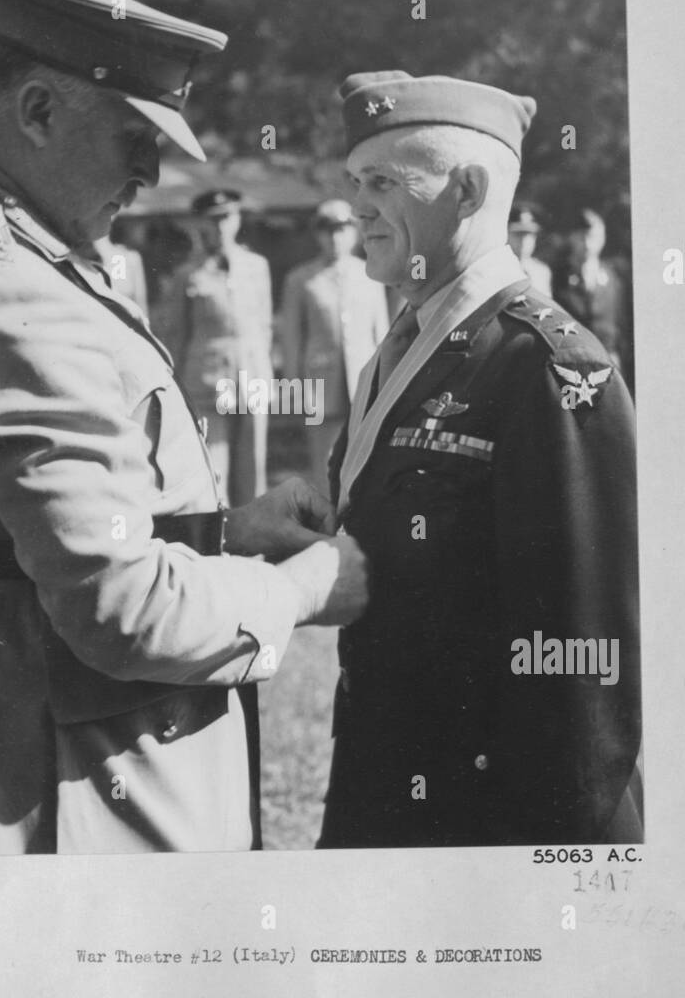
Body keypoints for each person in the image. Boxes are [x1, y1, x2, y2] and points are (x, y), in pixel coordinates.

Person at [0, 0, 367, 857]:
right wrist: (297, 589)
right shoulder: (5, 292)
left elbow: (4, 527)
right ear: (36, 110)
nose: (150, 173)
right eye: (133, 135)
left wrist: (224, 533)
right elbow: (121, 605)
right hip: (62, 795)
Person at [319, 70, 642, 849]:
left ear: (466, 190)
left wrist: (556, 870)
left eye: (384, 183)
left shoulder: (547, 366)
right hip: (387, 778)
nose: (358, 206)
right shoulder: (406, 345)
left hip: (485, 817)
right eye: (356, 182)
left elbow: (582, 657)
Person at [164, 190, 274, 506]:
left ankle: (257, 546)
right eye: (213, 220)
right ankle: (219, 543)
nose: (221, 226)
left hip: (252, 375)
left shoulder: (257, 266)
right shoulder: (188, 273)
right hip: (208, 380)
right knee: (215, 464)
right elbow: (178, 335)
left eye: (227, 217)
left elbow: (264, 324)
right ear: (201, 224)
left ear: (237, 219)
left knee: (253, 464)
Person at [278, 199, 390, 491]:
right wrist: (294, 387)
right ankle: (327, 524)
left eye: (343, 229)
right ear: (318, 235)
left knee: (365, 456)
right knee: (325, 462)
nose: (335, 238)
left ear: (354, 233)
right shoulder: (301, 279)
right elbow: (292, 338)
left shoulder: (372, 275)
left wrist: (388, 379)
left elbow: (383, 334)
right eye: (328, 231)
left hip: (364, 380)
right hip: (320, 383)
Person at [553, 207, 631, 379]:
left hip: (609, 361)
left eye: (592, 237)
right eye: (582, 237)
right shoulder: (558, 277)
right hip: (572, 365)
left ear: (602, 238)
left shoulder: (612, 276)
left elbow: (620, 325)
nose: (588, 244)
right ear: (572, 238)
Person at [507, 200, 552, 295]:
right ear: (506, 235)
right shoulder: (496, 270)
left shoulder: (542, 271)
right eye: (518, 234)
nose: (523, 241)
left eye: (528, 235)